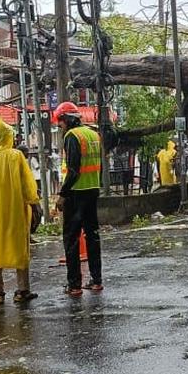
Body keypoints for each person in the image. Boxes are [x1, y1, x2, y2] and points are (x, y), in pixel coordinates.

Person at [0, 118, 40, 304]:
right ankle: (22, 290)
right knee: (19, 247)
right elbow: (27, 185)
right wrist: (33, 202)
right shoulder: (15, 156)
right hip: (13, 210)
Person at [54, 102, 103, 294]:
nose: (60, 126)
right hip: (92, 189)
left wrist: (62, 195)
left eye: (60, 122)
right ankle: (96, 280)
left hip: (76, 193)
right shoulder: (93, 134)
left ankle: (74, 285)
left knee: (72, 238)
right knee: (92, 236)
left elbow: (73, 170)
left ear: (66, 119)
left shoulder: (72, 136)